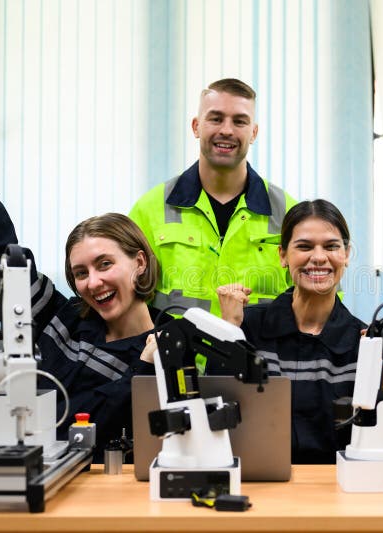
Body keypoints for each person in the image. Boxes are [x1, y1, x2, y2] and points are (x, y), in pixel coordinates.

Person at [0, 98, 162, 461]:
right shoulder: (61, 318)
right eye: (80, 273)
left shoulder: (162, 347)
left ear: (139, 262)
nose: (93, 282)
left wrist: (143, 371)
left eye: (104, 264)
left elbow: (95, 425)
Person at [129, 78, 297, 319]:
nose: (226, 130)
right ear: (196, 126)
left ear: (254, 133)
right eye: (216, 118)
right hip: (173, 356)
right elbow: (129, 301)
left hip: (262, 356)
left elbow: (320, 298)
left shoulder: (289, 212)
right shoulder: (148, 210)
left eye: (239, 121)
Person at [218, 199, 364, 464]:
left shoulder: (364, 341)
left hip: (338, 489)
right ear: (283, 255)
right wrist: (228, 330)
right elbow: (217, 414)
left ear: (347, 254)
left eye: (331, 246)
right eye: (304, 246)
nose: (319, 257)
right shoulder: (246, 327)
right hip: (257, 483)